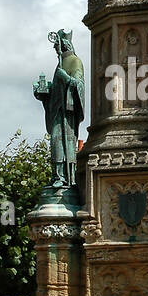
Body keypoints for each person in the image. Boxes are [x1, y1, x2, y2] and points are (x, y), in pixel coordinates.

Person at [33, 30, 85, 189]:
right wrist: (44, 93)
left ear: (64, 45)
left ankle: (65, 178)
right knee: (55, 142)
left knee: (63, 142)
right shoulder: (59, 63)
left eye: (57, 46)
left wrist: (66, 78)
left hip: (67, 112)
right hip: (57, 109)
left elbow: (79, 85)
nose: (56, 49)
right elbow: (56, 90)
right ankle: (57, 175)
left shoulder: (75, 61)